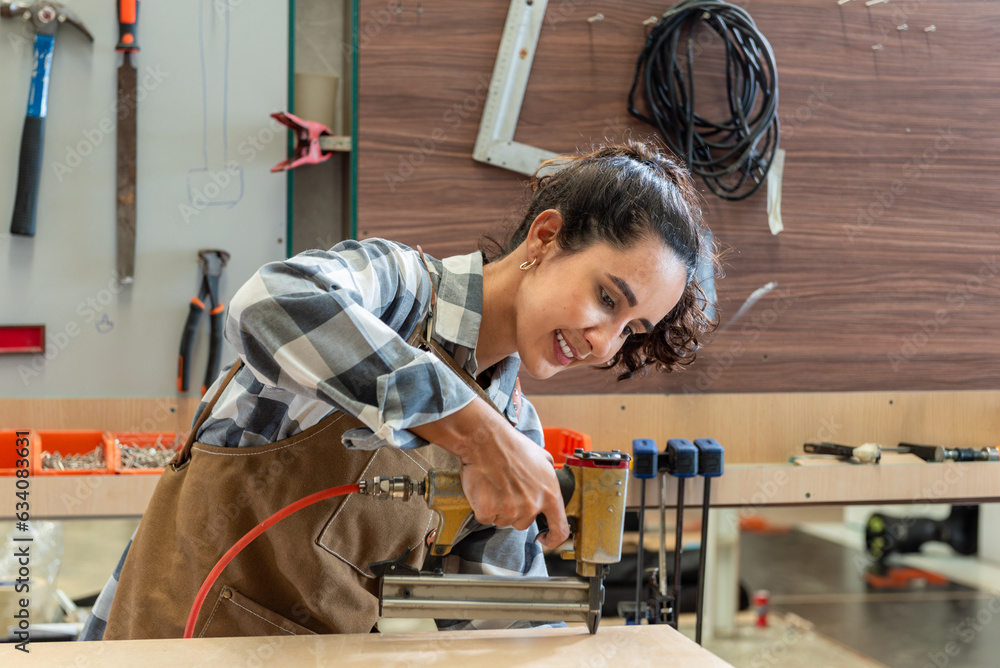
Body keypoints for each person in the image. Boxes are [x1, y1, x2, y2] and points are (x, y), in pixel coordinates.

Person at [80, 140, 714, 640]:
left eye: (631, 330)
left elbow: (498, 622)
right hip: (174, 641)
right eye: (607, 298)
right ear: (546, 238)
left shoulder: (517, 432)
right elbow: (266, 304)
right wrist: (472, 430)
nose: (604, 343)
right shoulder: (397, 290)